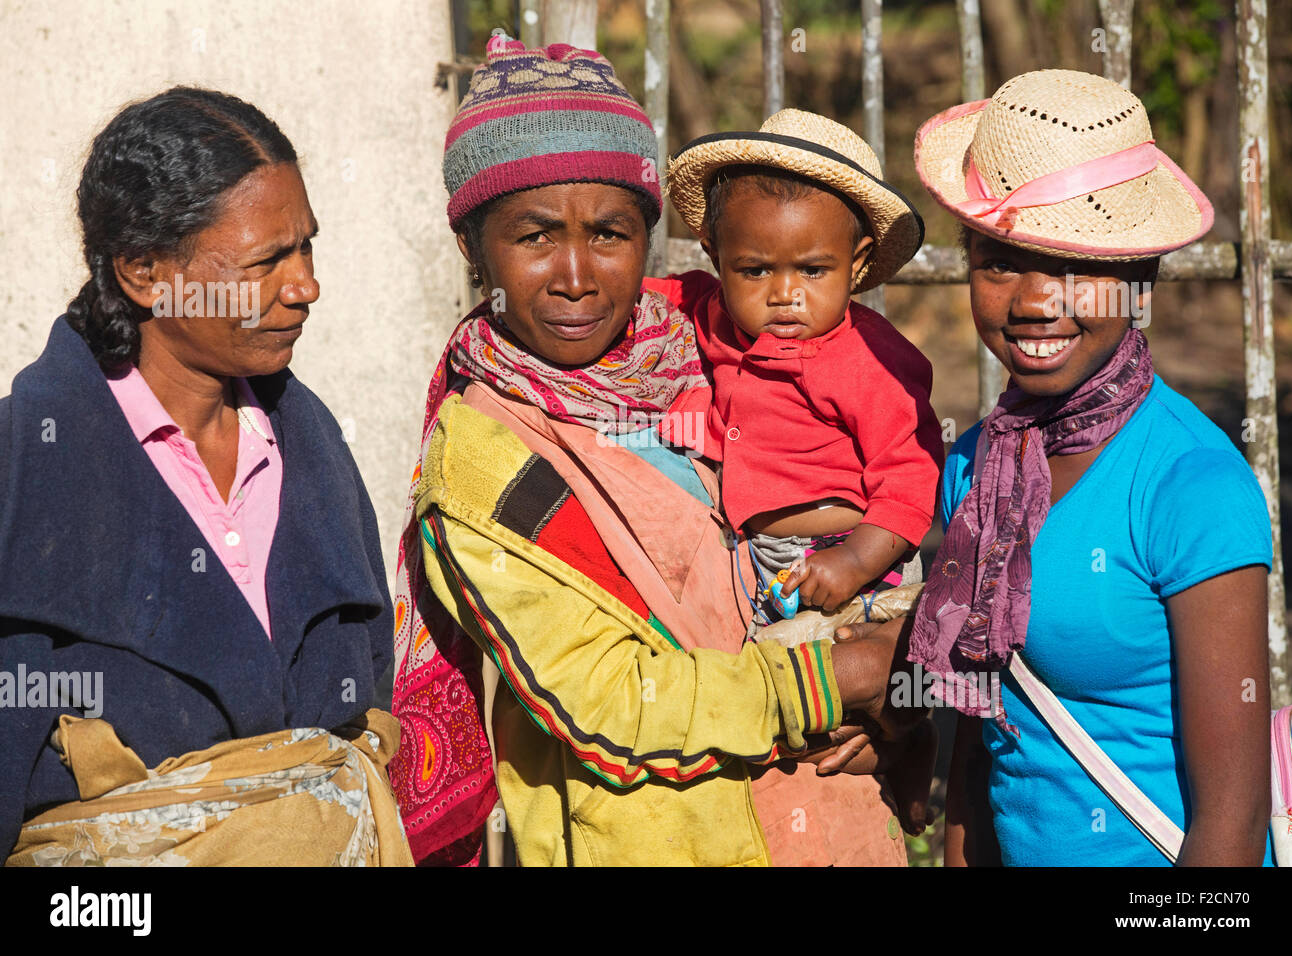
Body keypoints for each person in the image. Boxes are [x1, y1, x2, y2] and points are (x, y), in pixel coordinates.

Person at [389, 35, 925, 867]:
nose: (576, 276)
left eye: (610, 233)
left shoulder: (702, 352)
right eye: (534, 237)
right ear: (472, 247)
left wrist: (881, 719)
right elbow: (611, 703)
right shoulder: (487, 463)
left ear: (651, 241)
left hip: (833, 828)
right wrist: (846, 678)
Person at [0, 88, 407, 866]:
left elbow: (369, 703)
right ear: (145, 271)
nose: (305, 287)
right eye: (266, 262)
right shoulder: (25, 471)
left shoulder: (311, 449)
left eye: (307, 248)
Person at [910, 69, 1274, 866]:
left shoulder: (1191, 487)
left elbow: (1233, 831)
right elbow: (983, 743)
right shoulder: (976, 467)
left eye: (1077, 267)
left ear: (1140, 280)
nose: (1036, 301)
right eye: (1000, 261)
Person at [645, 109, 943, 833]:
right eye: (756, 270)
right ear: (715, 255)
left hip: (842, 559)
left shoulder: (868, 360)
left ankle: (909, 750)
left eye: (813, 271)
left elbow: (911, 475)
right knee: (780, 707)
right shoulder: (702, 310)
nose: (785, 295)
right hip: (752, 560)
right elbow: (633, 293)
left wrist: (856, 557)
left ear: (859, 261)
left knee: (854, 673)